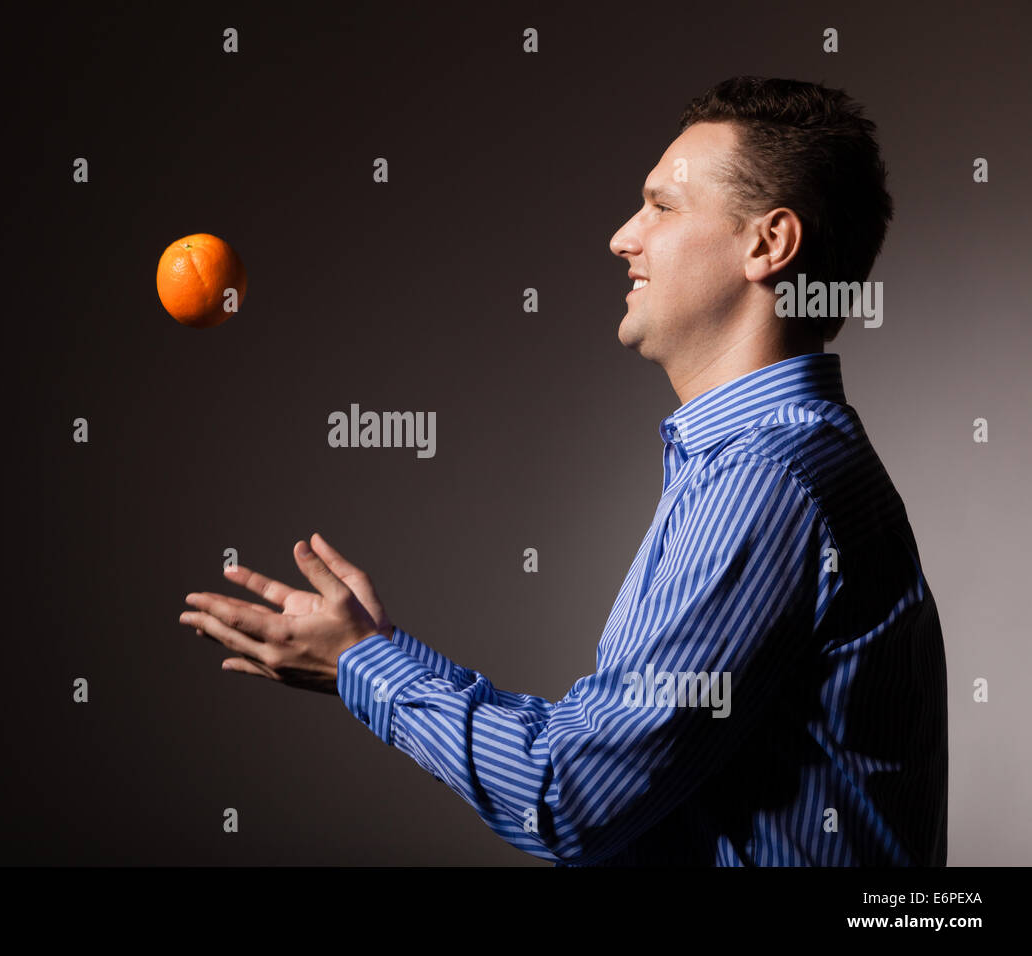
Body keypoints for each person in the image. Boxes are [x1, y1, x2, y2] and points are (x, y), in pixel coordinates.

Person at [179, 76, 947, 866]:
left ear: (768, 244)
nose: (623, 236)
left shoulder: (765, 478)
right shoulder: (781, 461)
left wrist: (360, 666)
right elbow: (604, 747)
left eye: (662, 205)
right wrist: (373, 650)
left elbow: (570, 794)